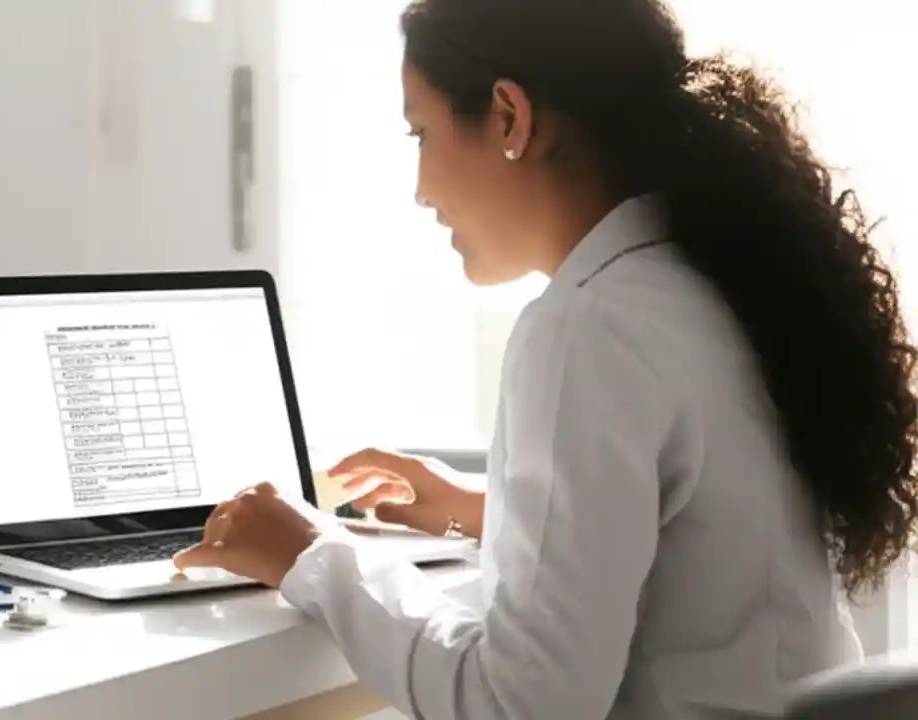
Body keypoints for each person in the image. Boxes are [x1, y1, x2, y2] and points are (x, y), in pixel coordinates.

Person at [173, 0, 918, 716]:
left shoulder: (587, 327)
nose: (421, 190)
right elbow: (698, 549)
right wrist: (475, 511)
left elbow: (521, 704)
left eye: (421, 135)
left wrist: (314, 554)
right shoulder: (709, 281)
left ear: (509, 116)